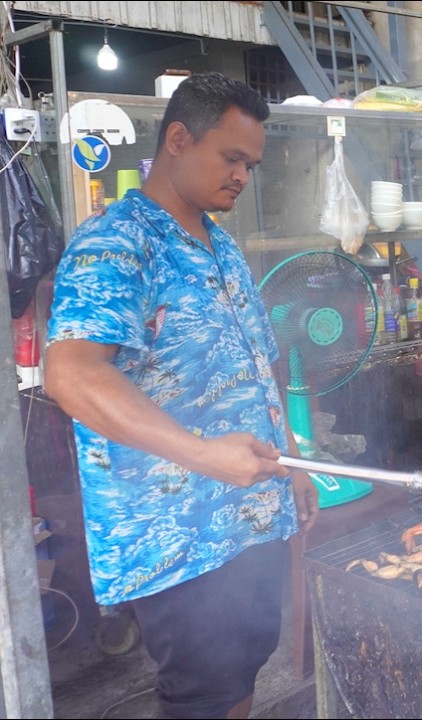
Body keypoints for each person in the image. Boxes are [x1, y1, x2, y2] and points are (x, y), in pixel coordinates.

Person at [44, 72, 317, 720]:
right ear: (177, 140)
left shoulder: (220, 246)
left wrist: (294, 461)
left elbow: (259, 369)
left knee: (245, 663)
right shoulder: (118, 243)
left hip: (250, 516)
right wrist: (201, 453)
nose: (243, 177)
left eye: (251, 164)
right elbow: (72, 374)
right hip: (178, 537)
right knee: (200, 694)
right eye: (231, 158)